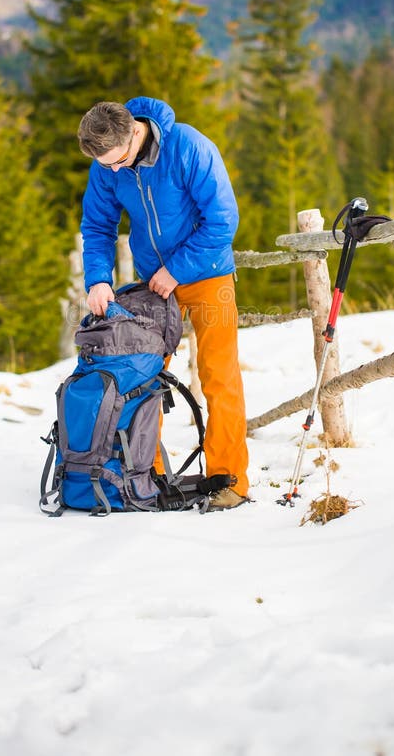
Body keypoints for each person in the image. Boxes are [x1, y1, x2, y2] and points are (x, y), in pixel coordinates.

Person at [78, 97, 249, 510]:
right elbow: (98, 225)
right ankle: (144, 474)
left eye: (117, 161)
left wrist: (177, 269)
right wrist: (99, 279)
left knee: (218, 374)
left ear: (134, 133)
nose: (113, 171)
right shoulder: (106, 163)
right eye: (106, 165)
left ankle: (230, 479)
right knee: (142, 376)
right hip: (154, 287)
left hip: (206, 274)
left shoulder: (188, 147)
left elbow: (223, 219)